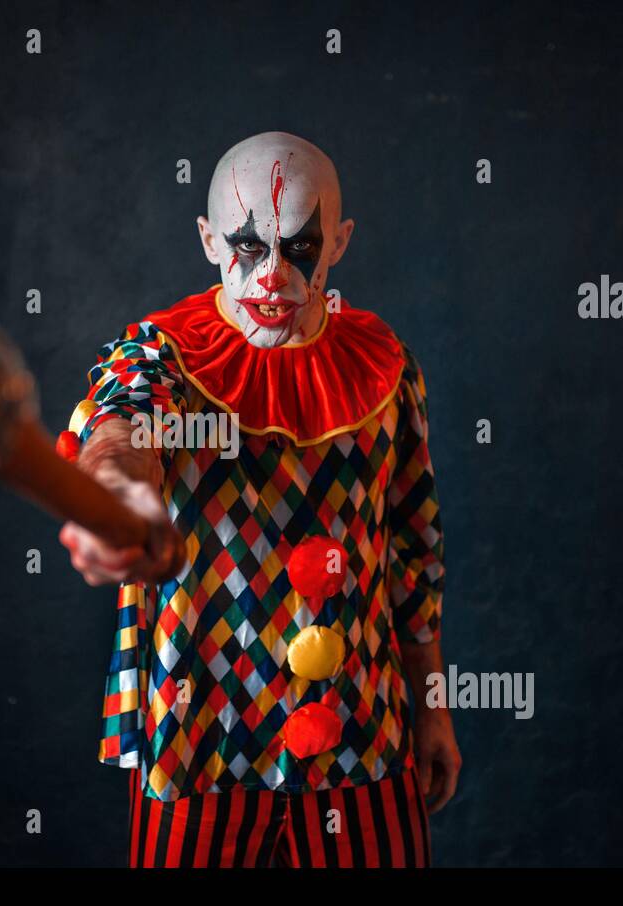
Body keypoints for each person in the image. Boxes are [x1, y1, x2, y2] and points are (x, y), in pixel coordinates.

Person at [58, 131, 461, 867]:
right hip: (200, 734)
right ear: (209, 241)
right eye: (247, 246)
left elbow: (414, 548)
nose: (271, 275)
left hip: (361, 727)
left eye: (299, 247)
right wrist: (114, 483)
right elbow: (122, 421)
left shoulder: (386, 367)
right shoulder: (162, 355)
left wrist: (431, 702)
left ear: (338, 243)